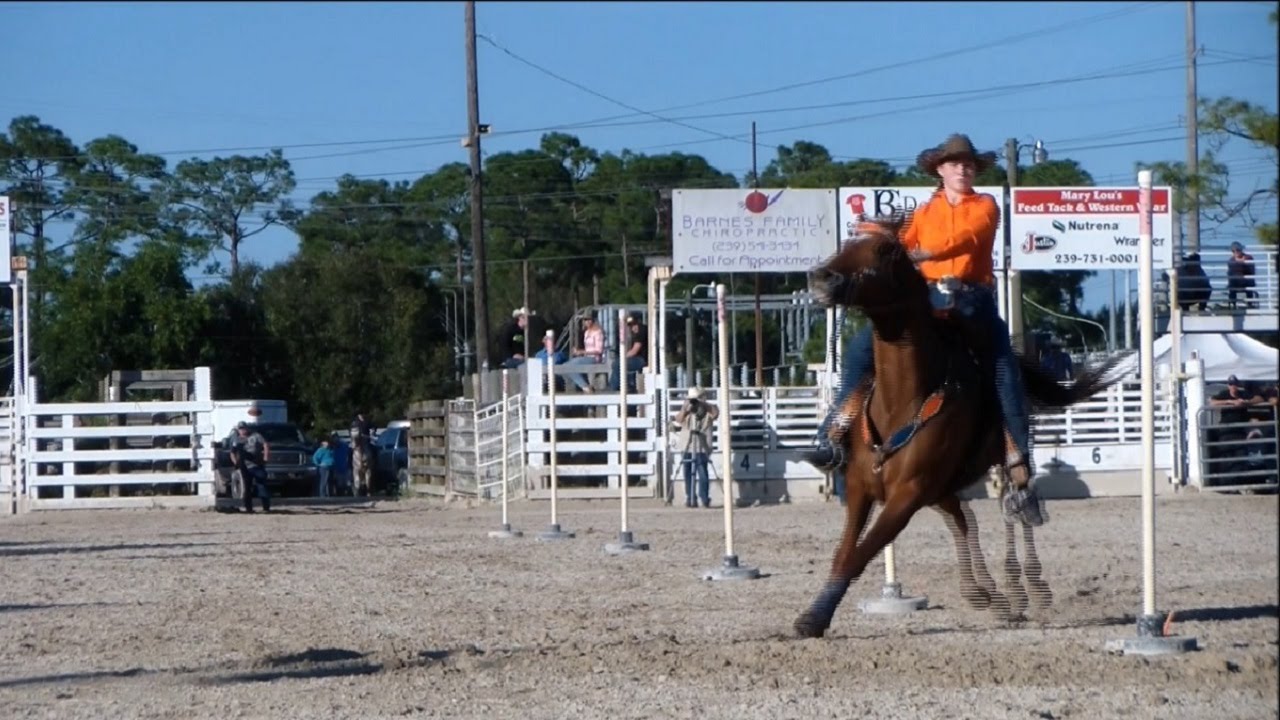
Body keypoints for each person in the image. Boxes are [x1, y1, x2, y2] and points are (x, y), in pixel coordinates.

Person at [803, 133, 1037, 495]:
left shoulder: (986, 205)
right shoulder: (923, 213)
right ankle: (833, 433)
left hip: (971, 296)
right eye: (956, 162)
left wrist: (922, 253)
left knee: (1003, 367)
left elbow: (966, 239)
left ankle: (1017, 456)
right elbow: (896, 245)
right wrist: (880, 240)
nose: (964, 167)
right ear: (940, 170)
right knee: (861, 349)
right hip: (927, 297)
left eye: (969, 163)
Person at [672, 386, 719, 508]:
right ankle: (690, 498)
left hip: (702, 446)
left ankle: (704, 498)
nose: (694, 402)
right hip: (687, 445)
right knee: (687, 473)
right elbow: (678, 419)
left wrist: (703, 405)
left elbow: (715, 414)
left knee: (702, 473)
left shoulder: (708, 410)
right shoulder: (687, 409)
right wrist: (685, 409)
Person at [230, 421, 271, 513]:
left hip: (257, 465)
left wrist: (265, 457)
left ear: (247, 428)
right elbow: (232, 452)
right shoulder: (236, 440)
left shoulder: (256, 436)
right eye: (240, 429)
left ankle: (266, 507)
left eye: (243, 428)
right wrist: (236, 463)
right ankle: (249, 508)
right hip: (244, 466)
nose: (242, 431)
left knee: (261, 485)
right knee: (247, 487)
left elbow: (265, 444)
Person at [565, 314, 605, 393]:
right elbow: (587, 349)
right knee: (564, 366)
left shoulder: (598, 332)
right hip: (586, 357)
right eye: (585, 320)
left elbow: (599, 350)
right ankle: (583, 386)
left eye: (588, 319)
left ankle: (585, 387)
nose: (587, 322)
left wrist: (581, 351)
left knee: (569, 367)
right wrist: (578, 352)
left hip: (595, 358)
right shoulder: (586, 332)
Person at [609, 314, 648, 392]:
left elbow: (634, 351)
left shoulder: (641, 331)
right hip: (637, 358)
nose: (632, 327)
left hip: (642, 360)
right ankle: (621, 385)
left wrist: (622, 357)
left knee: (618, 363)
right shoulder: (634, 334)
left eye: (634, 324)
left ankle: (616, 387)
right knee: (617, 364)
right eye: (629, 325)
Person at [1226, 242, 1257, 310]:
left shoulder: (1249, 257)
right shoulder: (1231, 260)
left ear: (1241, 250)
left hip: (1246, 280)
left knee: (1249, 284)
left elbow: (1250, 269)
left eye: (1238, 250)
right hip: (1236, 282)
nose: (1236, 252)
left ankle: (1250, 304)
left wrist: (1241, 262)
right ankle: (1233, 305)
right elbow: (1231, 269)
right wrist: (1240, 262)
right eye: (1233, 251)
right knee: (1232, 285)